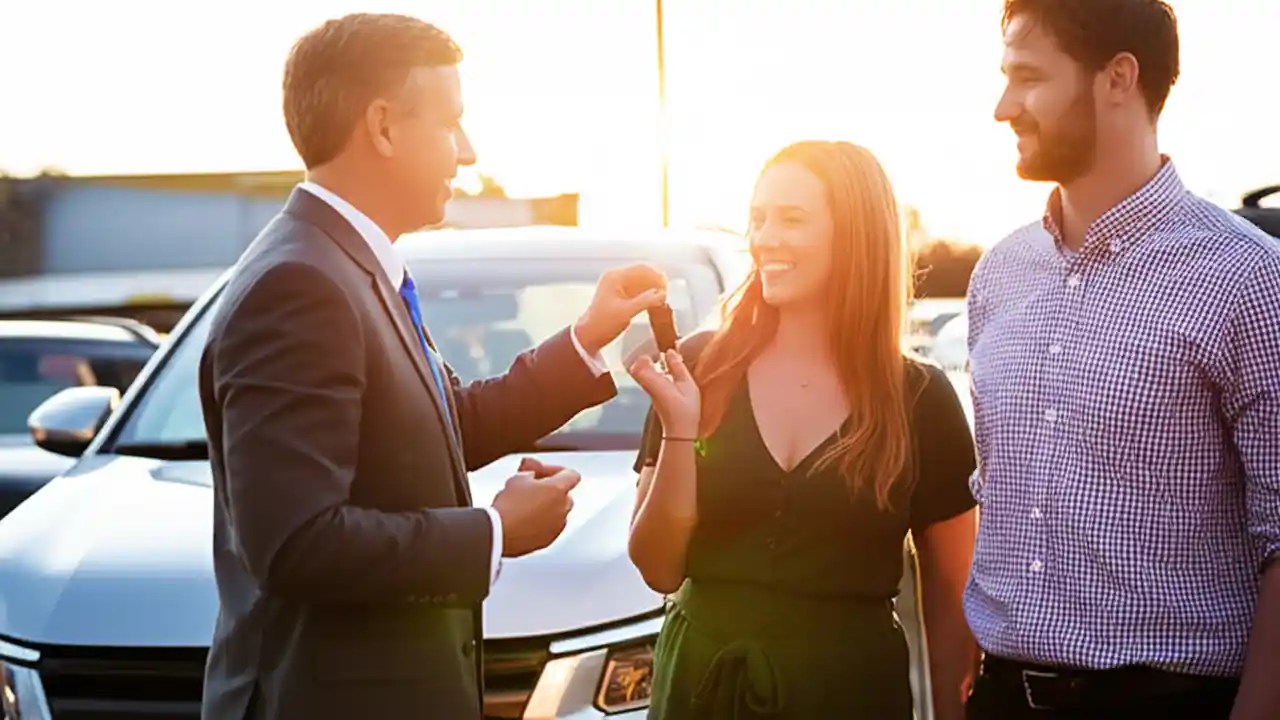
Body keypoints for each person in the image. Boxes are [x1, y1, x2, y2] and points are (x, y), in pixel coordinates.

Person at [197, 14, 667, 720]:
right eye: (451, 123)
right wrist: (496, 531)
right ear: (383, 127)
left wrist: (586, 336)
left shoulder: (342, 264)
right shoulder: (301, 285)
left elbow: (447, 424)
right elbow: (296, 543)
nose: (468, 152)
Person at [964, 1, 1280, 718]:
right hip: (1001, 696)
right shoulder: (998, 276)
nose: (1003, 107)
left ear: (1118, 79)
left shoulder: (1250, 279)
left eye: (1029, 78)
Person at [628, 141, 979, 719]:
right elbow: (657, 568)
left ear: (856, 236)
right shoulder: (700, 368)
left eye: (791, 219)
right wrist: (679, 432)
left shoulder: (921, 400)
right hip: (700, 691)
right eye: (758, 218)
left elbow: (951, 615)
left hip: (848, 696)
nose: (765, 238)